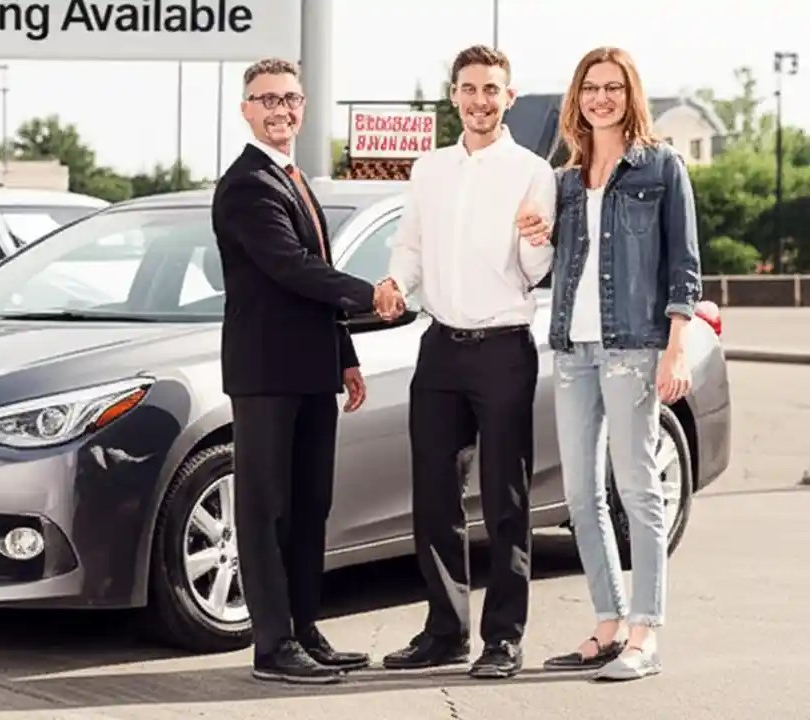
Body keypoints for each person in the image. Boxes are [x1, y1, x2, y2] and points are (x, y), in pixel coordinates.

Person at [517, 47, 702, 681]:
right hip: (572, 349)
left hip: (633, 347)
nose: (601, 98)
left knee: (638, 490)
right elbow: (554, 268)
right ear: (577, 98)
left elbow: (684, 267)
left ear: (630, 96)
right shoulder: (565, 179)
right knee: (578, 493)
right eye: (591, 88)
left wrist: (674, 349)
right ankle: (608, 622)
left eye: (613, 88)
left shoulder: (662, 168)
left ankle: (646, 634)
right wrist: (538, 236)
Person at [212, 57, 398, 685]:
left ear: (304, 105)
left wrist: (344, 357)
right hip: (265, 375)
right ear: (246, 109)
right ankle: (272, 645)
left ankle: (304, 630)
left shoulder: (292, 176)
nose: (280, 110)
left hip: (312, 372)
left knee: (309, 508)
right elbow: (292, 267)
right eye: (267, 100)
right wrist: (371, 294)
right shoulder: (247, 185)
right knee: (264, 511)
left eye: (290, 99)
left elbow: (309, 275)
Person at [374, 45, 556, 679]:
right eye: (470, 88)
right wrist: (396, 282)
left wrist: (538, 244)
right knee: (434, 497)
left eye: (492, 90)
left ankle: (503, 638)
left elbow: (535, 273)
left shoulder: (535, 171)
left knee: (506, 500)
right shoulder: (428, 170)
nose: (480, 100)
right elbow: (410, 245)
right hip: (439, 348)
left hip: (504, 348)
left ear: (509, 97)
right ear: (453, 95)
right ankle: (444, 631)